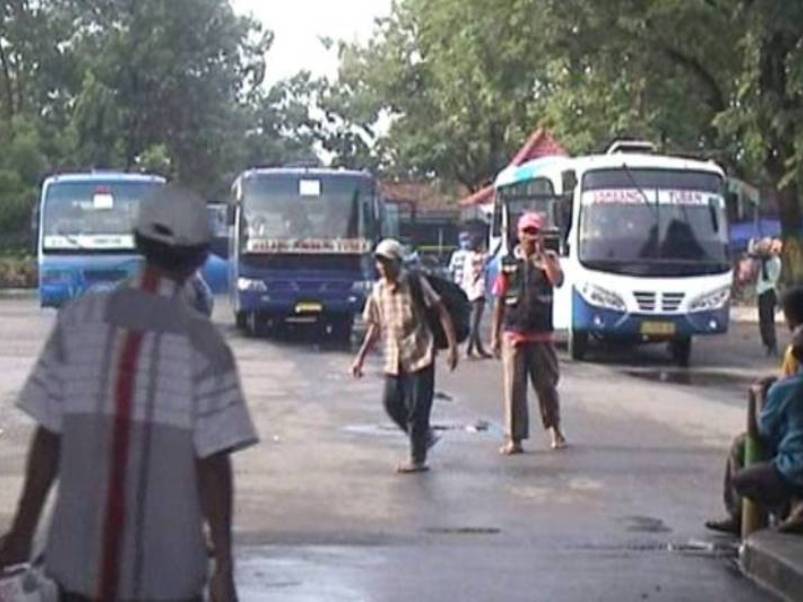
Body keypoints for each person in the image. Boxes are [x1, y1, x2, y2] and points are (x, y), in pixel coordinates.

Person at [0, 185, 259, 602]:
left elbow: (48, 438)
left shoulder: (77, 321)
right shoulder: (205, 346)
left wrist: (22, 532)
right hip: (168, 579)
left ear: (138, 242)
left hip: (76, 572)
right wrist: (224, 569)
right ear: (199, 257)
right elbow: (213, 467)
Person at [351, 238, 459, 473]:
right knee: (391, 403)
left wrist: (453, 347)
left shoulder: (414, 283)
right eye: (379, 262)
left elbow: (441, 311)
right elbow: (375, 327)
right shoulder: (378, 290)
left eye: (387, 262)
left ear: (398, 263)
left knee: (418, 409)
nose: (382, 267)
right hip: (393, 358)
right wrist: (360, 359)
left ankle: (417, 458)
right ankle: (424, 437)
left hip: (420, 354)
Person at [706, 286, 803, 535]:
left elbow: (762, 432)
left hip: (791, 450)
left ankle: (766, 513)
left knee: (745, 450)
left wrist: (759, 398)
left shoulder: (790, 366)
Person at [491, 212, 566, 455]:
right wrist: (495, 335)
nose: (531, 237)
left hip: (541, 335)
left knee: (546, 387)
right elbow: (500, 299)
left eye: (535, 232)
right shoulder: (507, 262)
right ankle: (515, 438)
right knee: (514, 388)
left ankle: (555, 429)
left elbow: (558, 281)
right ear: (519, 234)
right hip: (514, 333)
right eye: (527, 232)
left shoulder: (549, 258)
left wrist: (542, 256)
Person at [461, 236, 491, 359]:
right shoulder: (479, 258)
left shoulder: (468, 257)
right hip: (478, 292)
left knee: (474, 322)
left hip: (468, 291)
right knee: (475, 323)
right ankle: (468, 349)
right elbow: (489, 257)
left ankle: (479, 349)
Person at [753, 237, 782, 356]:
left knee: (768, 320)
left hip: (768, 292)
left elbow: (768, 278)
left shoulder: (775, 262)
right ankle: (768, 343)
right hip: (762, 292)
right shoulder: (766, 261)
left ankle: (772, 344)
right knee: (763, 320)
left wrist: (764, 260)